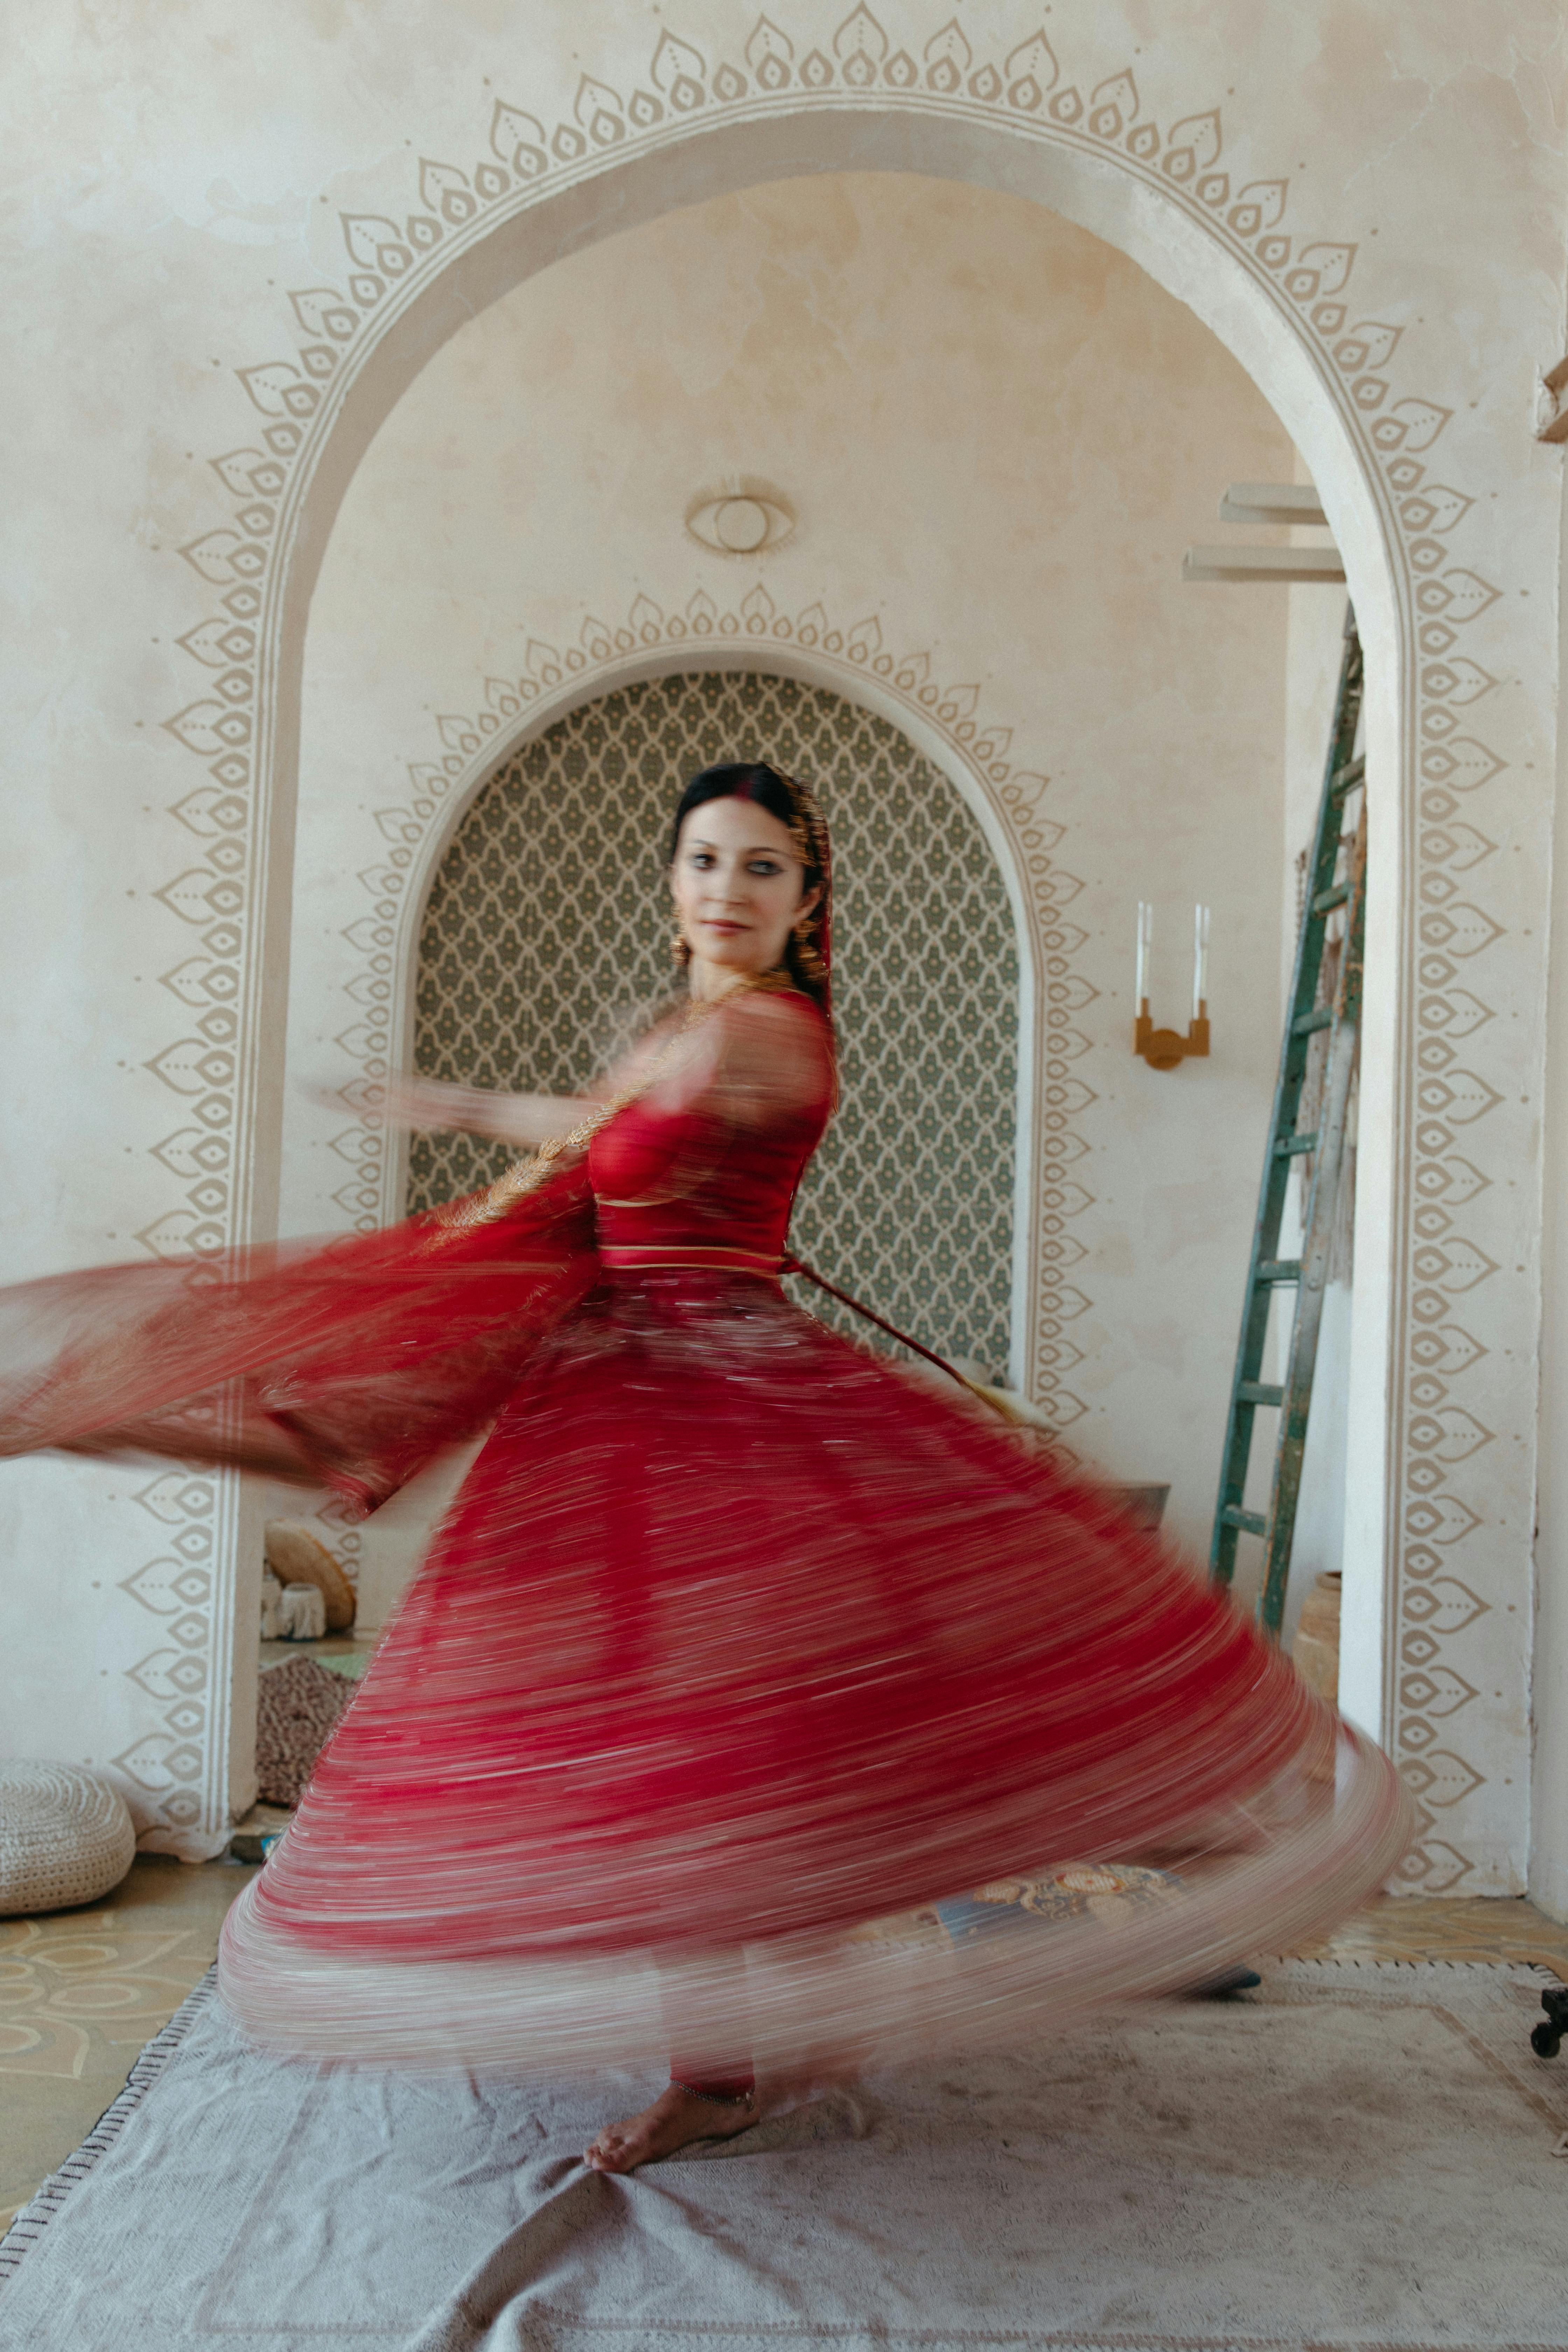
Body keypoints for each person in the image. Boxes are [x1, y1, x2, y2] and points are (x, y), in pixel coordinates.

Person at [0, 762, 1410, 2174]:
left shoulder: (773, 1032)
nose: (726, 889)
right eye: (704, 862)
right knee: (677, 1759)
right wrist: (455, 1105)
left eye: (759, 868)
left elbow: (619, 1141)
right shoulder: (681, 1027)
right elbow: (590, 1141)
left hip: (733, 1403)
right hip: (617, 1401)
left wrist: (493, 1151)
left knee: (818, 1724)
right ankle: (721, 2066)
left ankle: (1152, 1848)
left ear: (806, 902)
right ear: (670, 883)